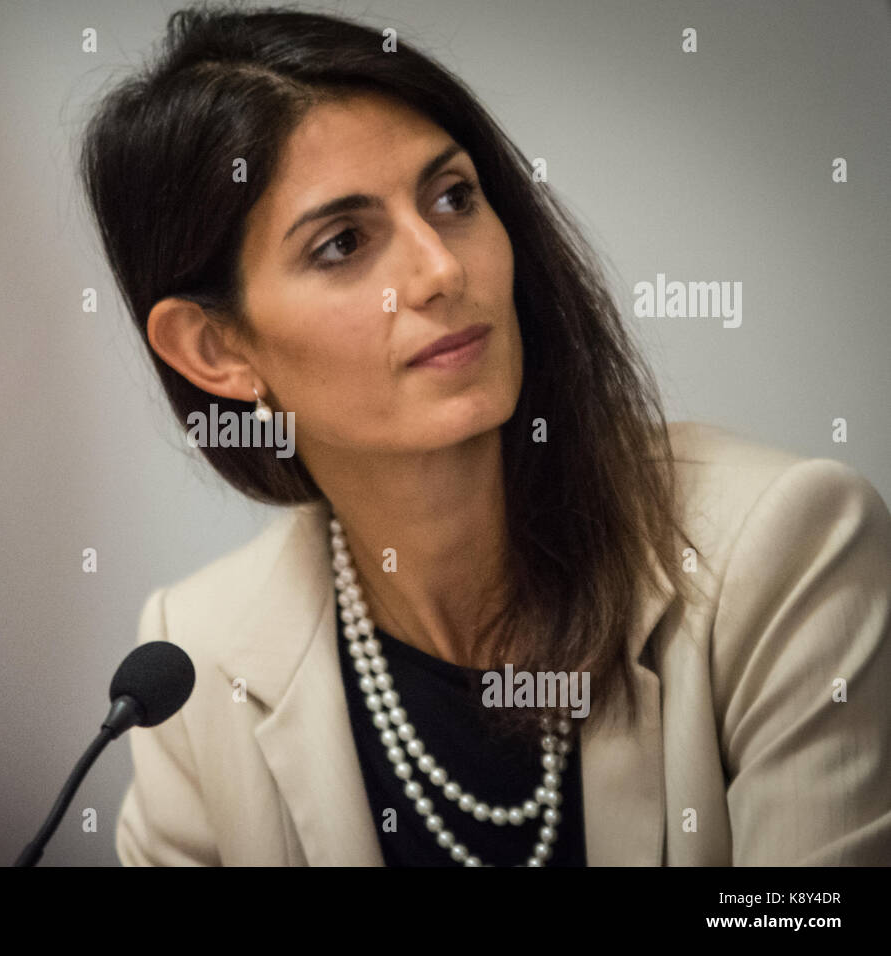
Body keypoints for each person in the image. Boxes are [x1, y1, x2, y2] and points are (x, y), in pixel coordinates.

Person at [77, 3, 891, 865]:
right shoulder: (195, 661)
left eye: (454, 197)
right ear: (217, 349)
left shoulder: (786, 544)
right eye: (344, 242)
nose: (442, 269)